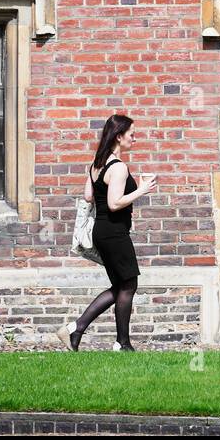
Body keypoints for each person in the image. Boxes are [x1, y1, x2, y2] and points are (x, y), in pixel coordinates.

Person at [58, 114, 156, 351]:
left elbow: (89, 197)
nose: (134, 138)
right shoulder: (119, 167)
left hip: (102, 231)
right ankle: (121, 342)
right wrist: (141, 190)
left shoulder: (96, 165)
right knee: (128, 285)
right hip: (114, 232)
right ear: (119, 136)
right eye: (132, 134)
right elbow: (114, 203)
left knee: (120, 286)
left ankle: (76, 330)